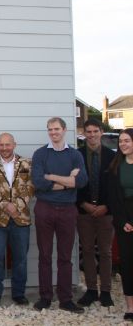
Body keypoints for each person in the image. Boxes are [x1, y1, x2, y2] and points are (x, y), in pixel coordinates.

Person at [31, 116, 88, 313]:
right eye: (50, 129)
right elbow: (39, 182)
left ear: (64, 130)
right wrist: (67, 181)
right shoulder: (40, 154)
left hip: (68, 210)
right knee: (45, 255)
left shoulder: (75, 155)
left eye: (56, 129)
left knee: (65, 256)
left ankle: (66, 299)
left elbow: (80, 181)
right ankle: (45, 297)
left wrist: (52, 177)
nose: (53, 132)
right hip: (44, 208)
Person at [0, 133, 33, 307]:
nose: (4, 148)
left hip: (21, 219)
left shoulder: (27, 163)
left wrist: (17, 206)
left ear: (14, 144)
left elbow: (30, 187)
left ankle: (19, 293)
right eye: (1, 145)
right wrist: (5, 205)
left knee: (20, 258)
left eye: (8, 144)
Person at [76, 118, 116, 307]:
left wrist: (106, 206)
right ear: (84, 134)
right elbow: (74, 184)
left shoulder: (112, 156)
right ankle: (91, 290)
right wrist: (83, 204)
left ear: (101, 132)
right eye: (88, 132)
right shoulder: (77, 155)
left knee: (106, 252)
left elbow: (116, 185)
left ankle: (106, 291)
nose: (91, 135)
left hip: (106, 212)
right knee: (87, 250)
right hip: (84, 211)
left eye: (95, 131)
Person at [107, 129, 133, 321]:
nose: (123, 144)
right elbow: (114, 198)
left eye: (127, 140)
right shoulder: (116, 166)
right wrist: (124, 221)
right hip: (123, 221)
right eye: (121, 141)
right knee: (128, 264)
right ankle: (130, 307)